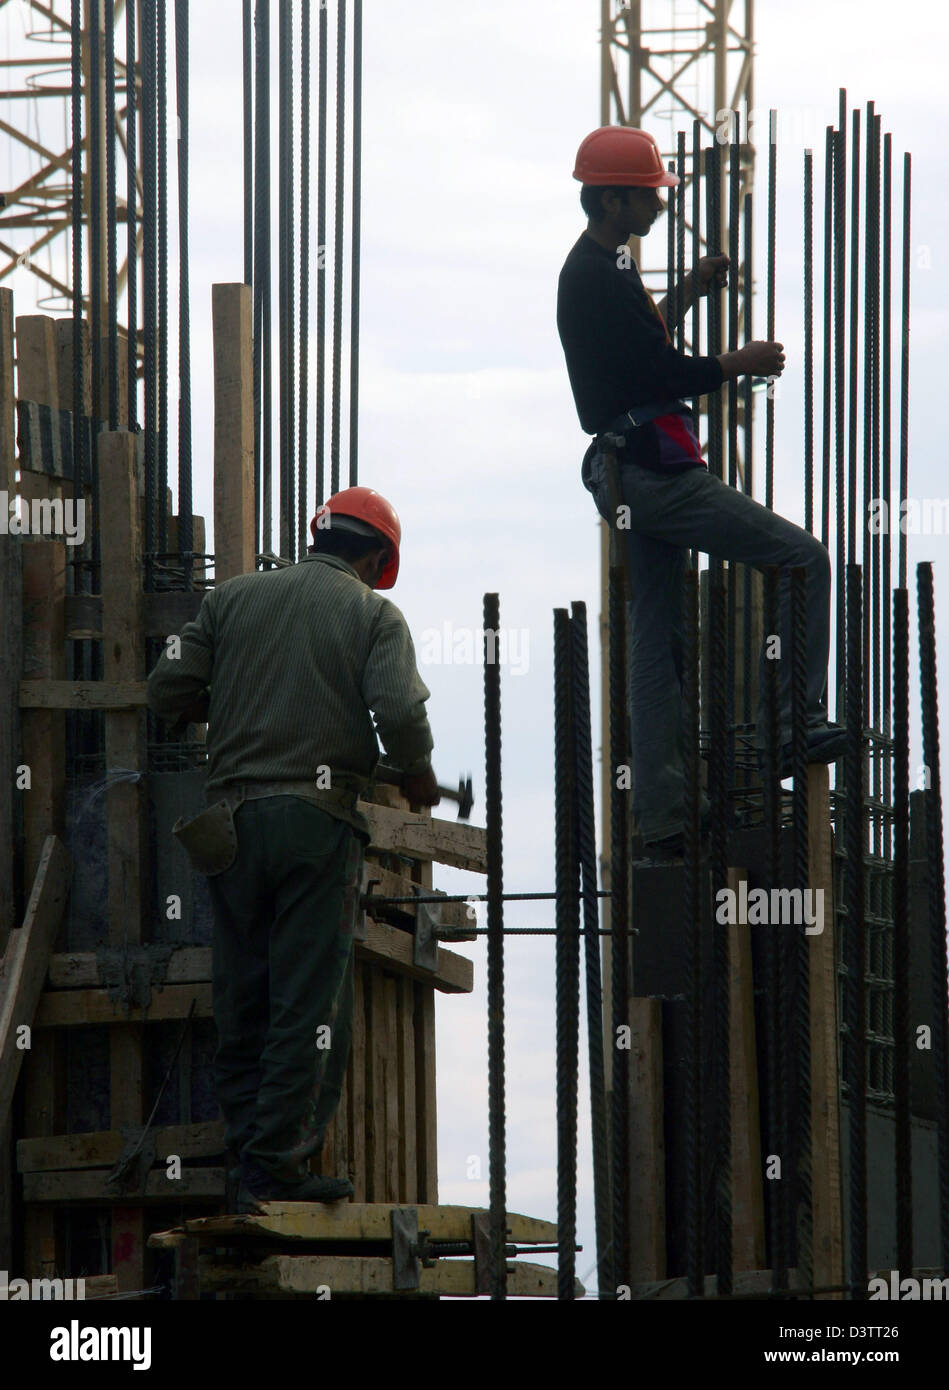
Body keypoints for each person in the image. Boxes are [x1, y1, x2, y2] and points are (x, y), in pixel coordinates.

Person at [147, 485, 439, 1211]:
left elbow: (166, 690)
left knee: (241, 996)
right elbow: (400, 712)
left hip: (230, 827)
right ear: (374, 557)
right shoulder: (373, 614)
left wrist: (244, 701)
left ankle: (245, 1167)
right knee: (306, 1003)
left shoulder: (231, 600)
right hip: (313, 825)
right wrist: (416, 767)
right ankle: (277, 1165)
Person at [557, 125, 846, 853]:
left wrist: (685, 290)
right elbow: (660, 373)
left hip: (629, 468)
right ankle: (788, 727)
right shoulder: (595, 273)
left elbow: (638, 348)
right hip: (653, 466)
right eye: (650, 195)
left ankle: (663, 816)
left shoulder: (605, 265)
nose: (659, 205)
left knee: (657, 640)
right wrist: (734, 362)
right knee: (801, 560)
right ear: (612, 198)